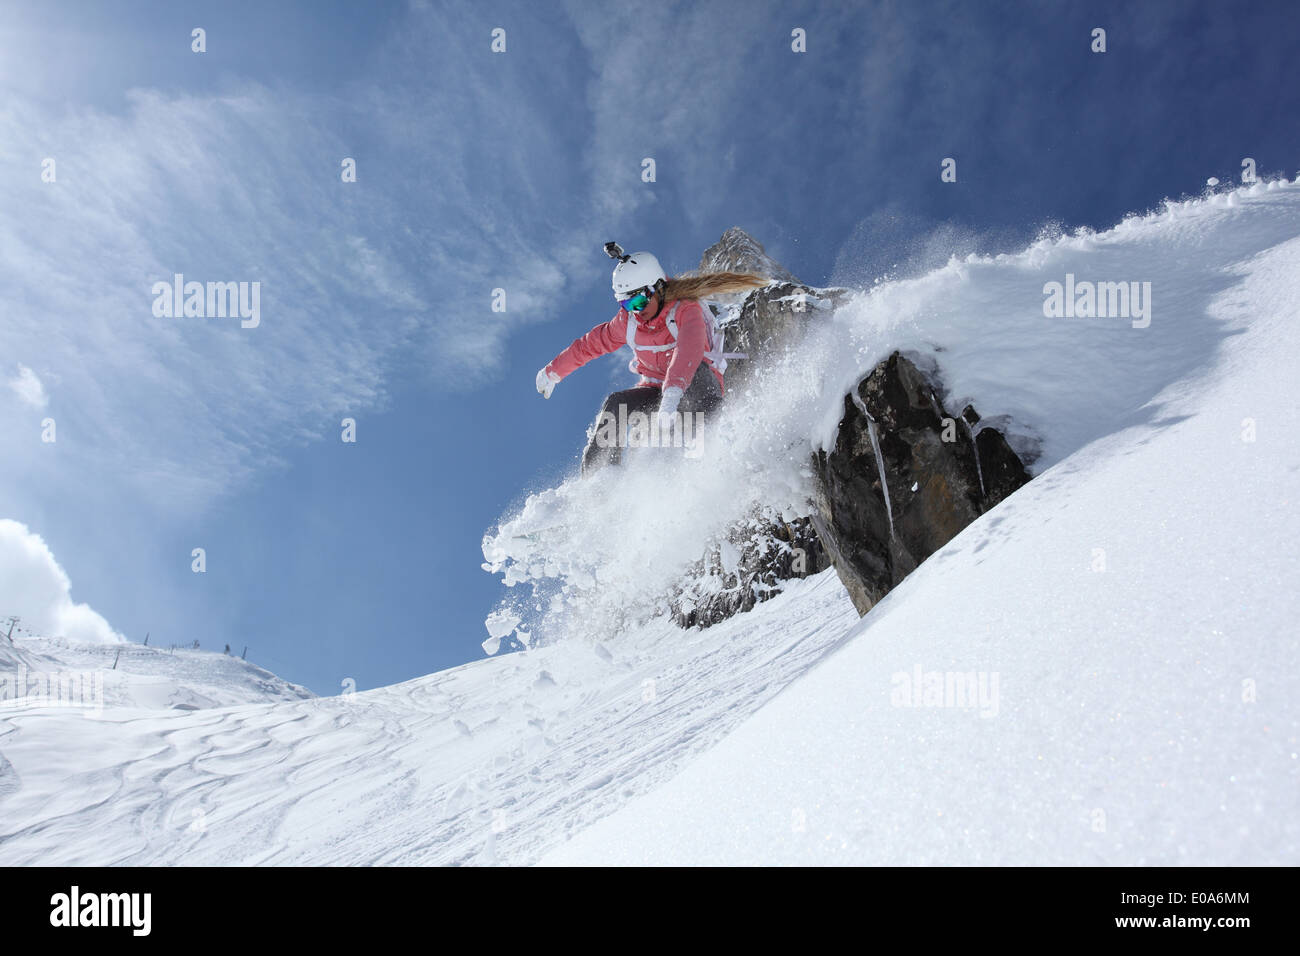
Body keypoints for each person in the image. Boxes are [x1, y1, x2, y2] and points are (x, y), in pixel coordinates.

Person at [536, 245, 766, 474]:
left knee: (697, 375)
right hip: (655, 392)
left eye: (638, 302)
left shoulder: (686, 309)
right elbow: (589, 345)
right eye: (627, 305)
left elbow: (689, 350)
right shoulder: (628, 322)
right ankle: (598, 481)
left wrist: (673, 394)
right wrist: (553, 372)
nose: (636, 311)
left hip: (696, 383)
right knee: (616, 404)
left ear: (658, 288)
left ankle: (718, 454)